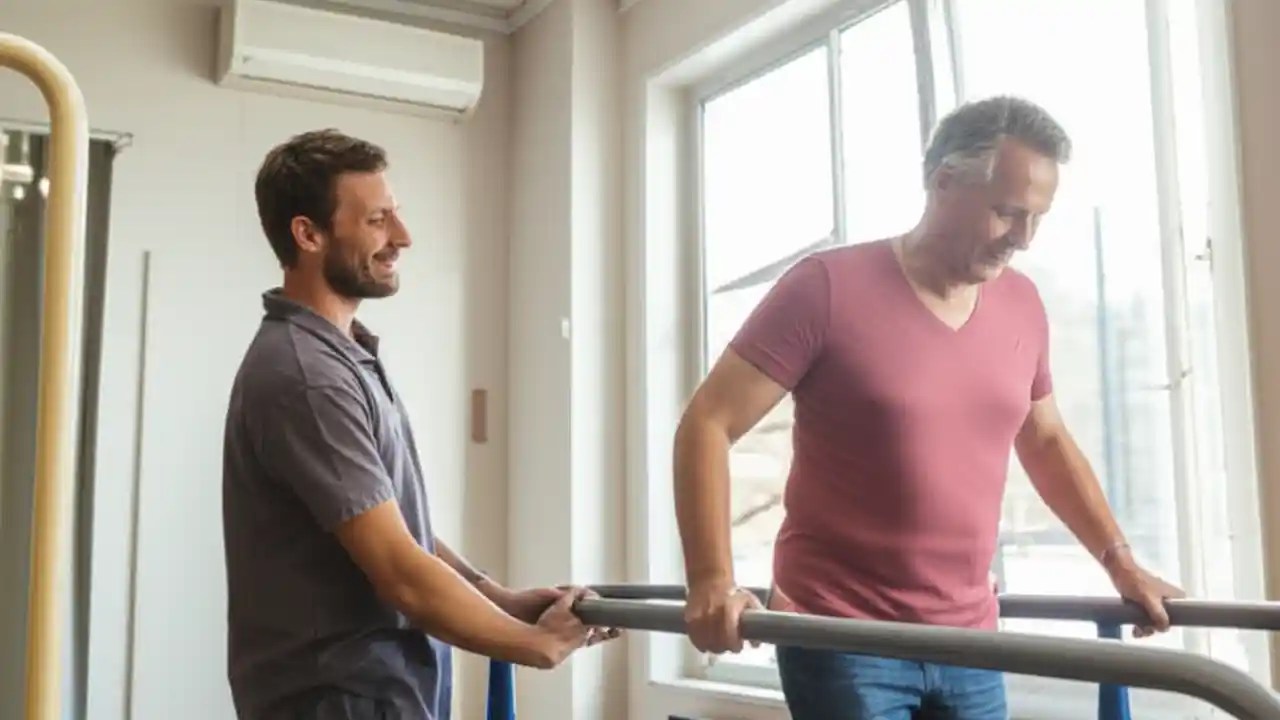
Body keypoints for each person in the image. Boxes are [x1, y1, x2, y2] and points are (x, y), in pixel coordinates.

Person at [672, 96, 1184, 719]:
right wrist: (711, 579)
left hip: (971, 638)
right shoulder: (825, 288)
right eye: (1006, 212)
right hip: (842, 633)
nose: (1023, 238)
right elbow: (709, 422)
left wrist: (1120, 563)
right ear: (944, 183)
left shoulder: (1023, 305)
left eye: (1037, 219)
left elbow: (1046, 440)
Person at [222, 129, 616, 720]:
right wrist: (532, 644)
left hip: (376, 693)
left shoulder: (340, 357)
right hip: (339, 700)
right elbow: (400, 572)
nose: (402, 237)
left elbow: (394, 530)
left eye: (396, 215)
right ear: (308, 234)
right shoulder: (307, 376)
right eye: (378, 220)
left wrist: (497, 599)